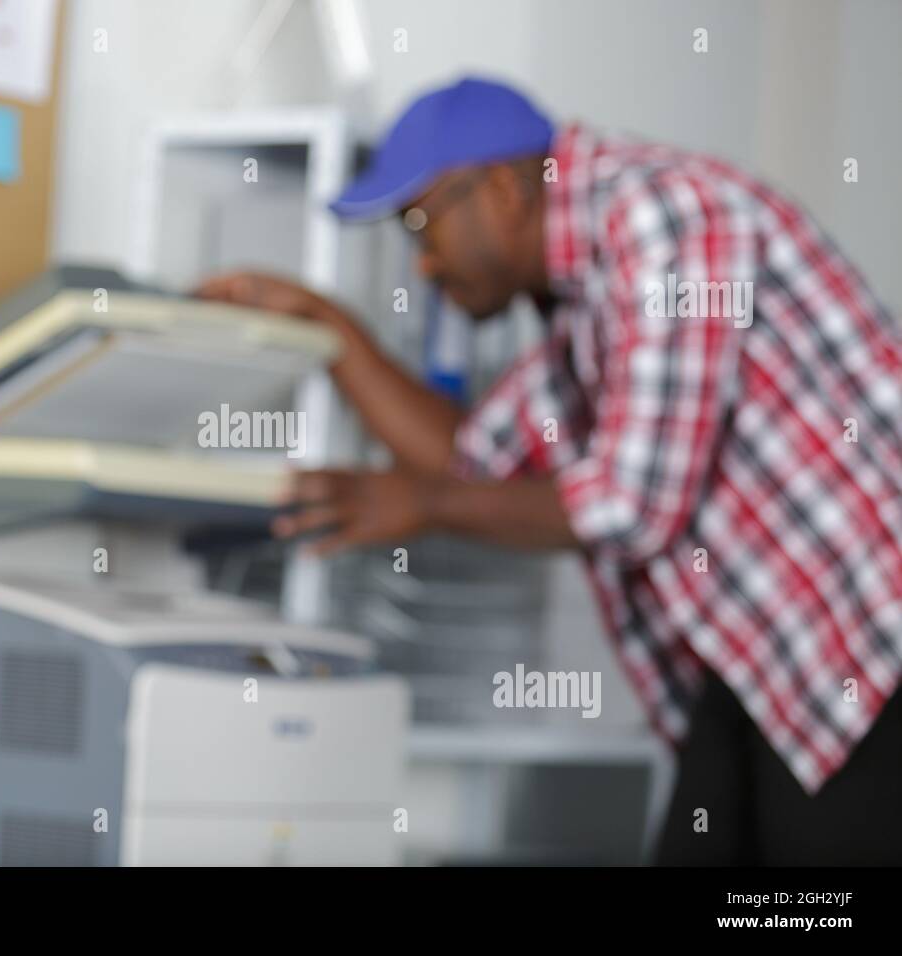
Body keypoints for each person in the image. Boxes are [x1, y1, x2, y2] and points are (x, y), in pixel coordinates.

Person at [198, 76, 902, 865]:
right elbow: (472, 460)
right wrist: (327, 328)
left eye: (422, 224)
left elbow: (630, 507)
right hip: (766, 663)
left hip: (864, 652)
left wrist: (421, 505)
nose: (422, 264)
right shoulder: (584, 302)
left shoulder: (670, 222)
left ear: (500, 188)